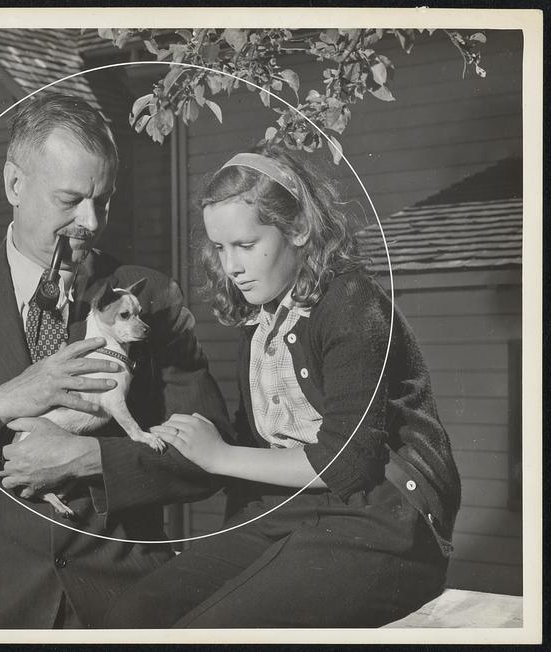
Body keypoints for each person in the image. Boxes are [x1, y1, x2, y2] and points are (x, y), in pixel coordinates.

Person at [0, 92, 231, 629]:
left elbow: (212, 449)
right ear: (14, 184)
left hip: (127, 604)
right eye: (70, 199)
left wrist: (91, 457)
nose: (92, 220)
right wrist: (7, 401)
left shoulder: (149, 297)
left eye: (104, 199)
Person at [104, 141, 461, 628]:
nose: (230, 266)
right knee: (134, 614)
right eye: (219, 247)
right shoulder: (261, 321)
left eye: (246, 246)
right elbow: (259, 449)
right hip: (293, 515)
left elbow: (349, 464)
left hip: (383, 521)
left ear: (297, 229)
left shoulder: (352, 303)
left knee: (210, 630)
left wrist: (219, 455)